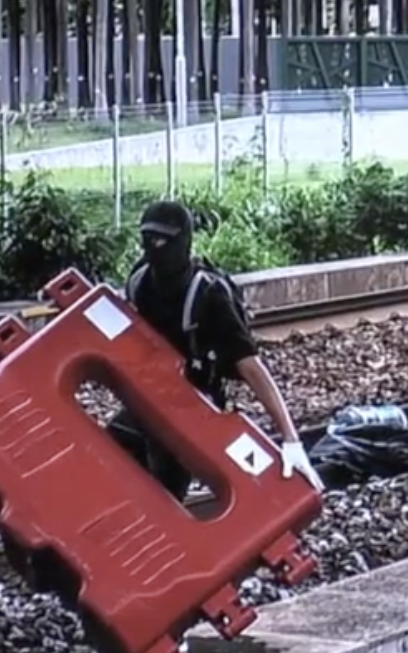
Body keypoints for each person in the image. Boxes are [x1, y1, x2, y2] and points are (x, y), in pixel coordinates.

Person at [105, 199, 324, 496]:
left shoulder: (209, 294)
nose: (154, 247)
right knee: (113, 445)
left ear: (182, 241)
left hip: (197, 401)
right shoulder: (140, 281)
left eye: (162, 240)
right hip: (152, 391)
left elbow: (249, 365)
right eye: (147, 239)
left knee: (165, 472)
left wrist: (290, 438)